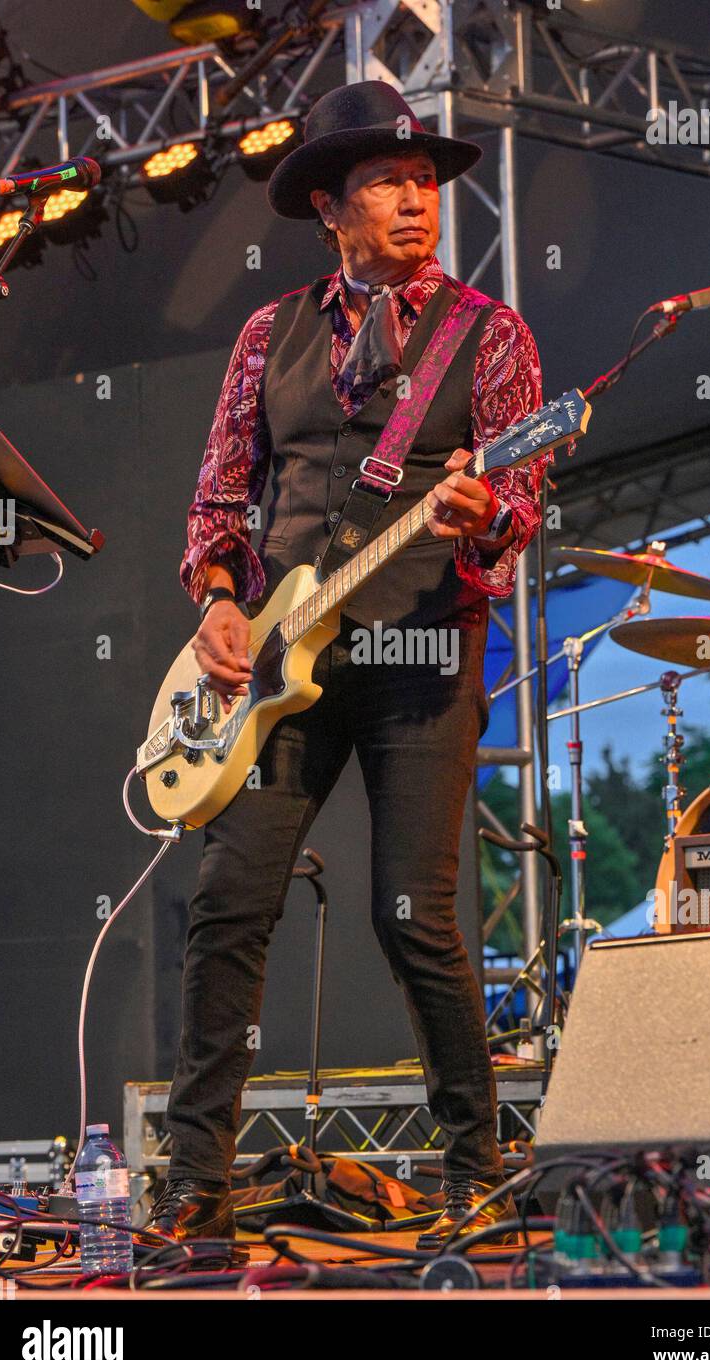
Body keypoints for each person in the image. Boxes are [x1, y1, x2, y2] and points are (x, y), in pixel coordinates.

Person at [144, 79, 552, 1252]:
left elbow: (519, 503)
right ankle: (195, 1185)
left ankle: (476, 1167)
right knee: (228, 903)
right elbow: (220, 496)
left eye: (424, 182)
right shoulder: (271, 332)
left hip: (421, 651)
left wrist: (481, 512)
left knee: (412, 915)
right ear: (330, 203)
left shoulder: (492, 332)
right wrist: (219, 600)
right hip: (277, 654)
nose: (415, 200)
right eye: (387, 182)